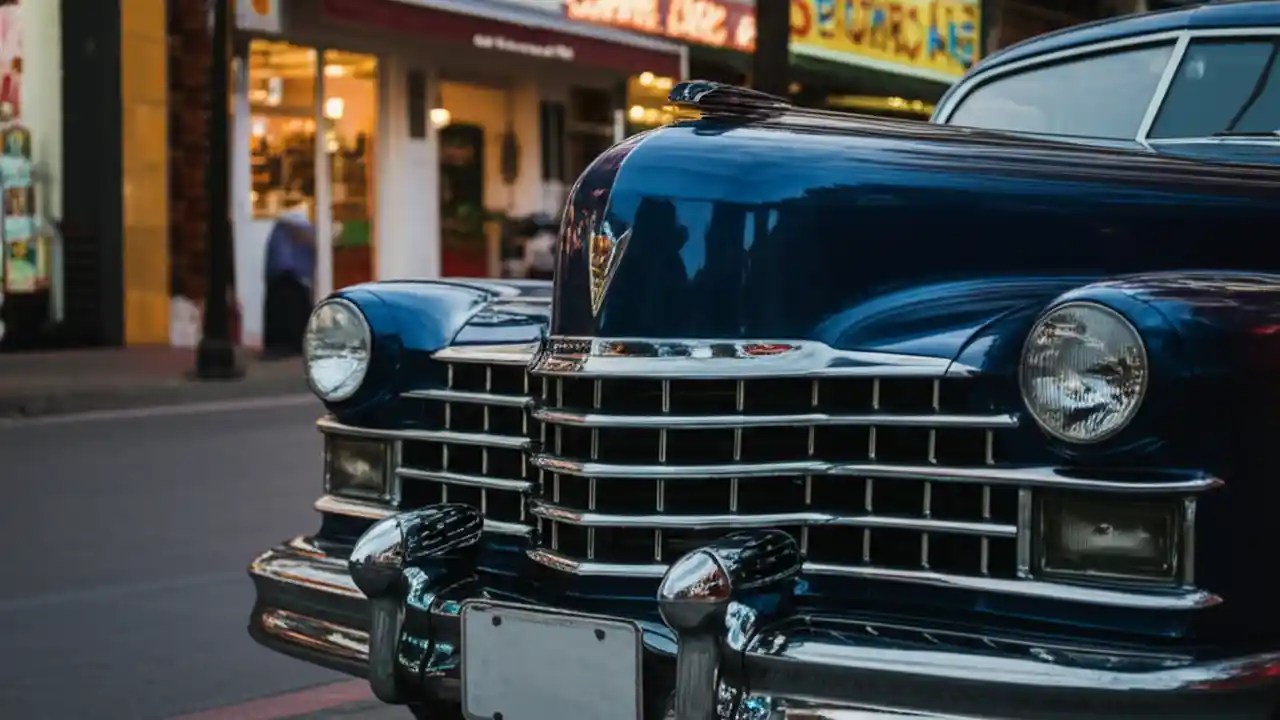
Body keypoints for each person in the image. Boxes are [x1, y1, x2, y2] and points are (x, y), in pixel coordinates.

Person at [261, 196, 316, 358]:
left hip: (284, 278)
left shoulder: (281, 231)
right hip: (292, 279)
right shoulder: (291, 231)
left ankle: (283, 345)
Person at [522, 213, 557, 280]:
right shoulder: (531, 242)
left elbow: (528, 263)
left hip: (549, 273)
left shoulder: (552, 239)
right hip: (538, 273)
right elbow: (528, 263)